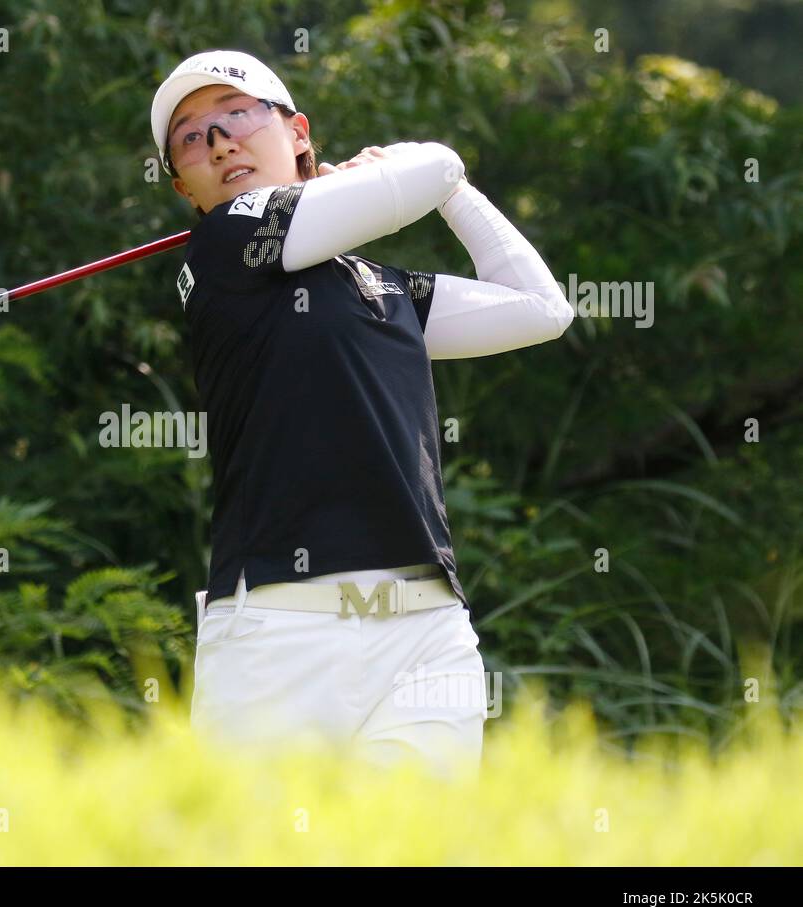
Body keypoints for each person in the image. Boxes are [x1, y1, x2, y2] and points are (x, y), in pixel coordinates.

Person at [150, 50, 575, 777]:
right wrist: (419, 168)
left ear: (299, 132)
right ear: (187, 189)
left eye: (238, 115)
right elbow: (433, 163)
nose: (219, 141)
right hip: (280, 630)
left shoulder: (382, 287)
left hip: (426, 630)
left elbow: (543, 309)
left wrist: (456, 193)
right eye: (191, 138)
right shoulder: (223, 245)